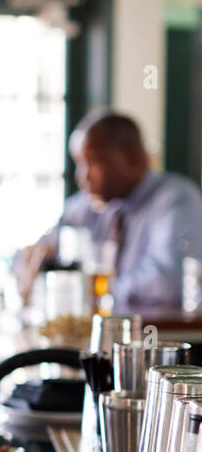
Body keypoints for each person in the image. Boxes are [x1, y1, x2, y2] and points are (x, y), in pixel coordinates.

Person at [14, 111, 202, 308]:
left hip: (153, 335)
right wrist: (29, 267)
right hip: (94, 333)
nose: (82, 177)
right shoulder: (82, 207)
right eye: (79, 164)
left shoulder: (176, 200)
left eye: (93, 162)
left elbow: (167, 283)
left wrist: (93, 290)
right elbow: (30, 257)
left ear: (133, 158)